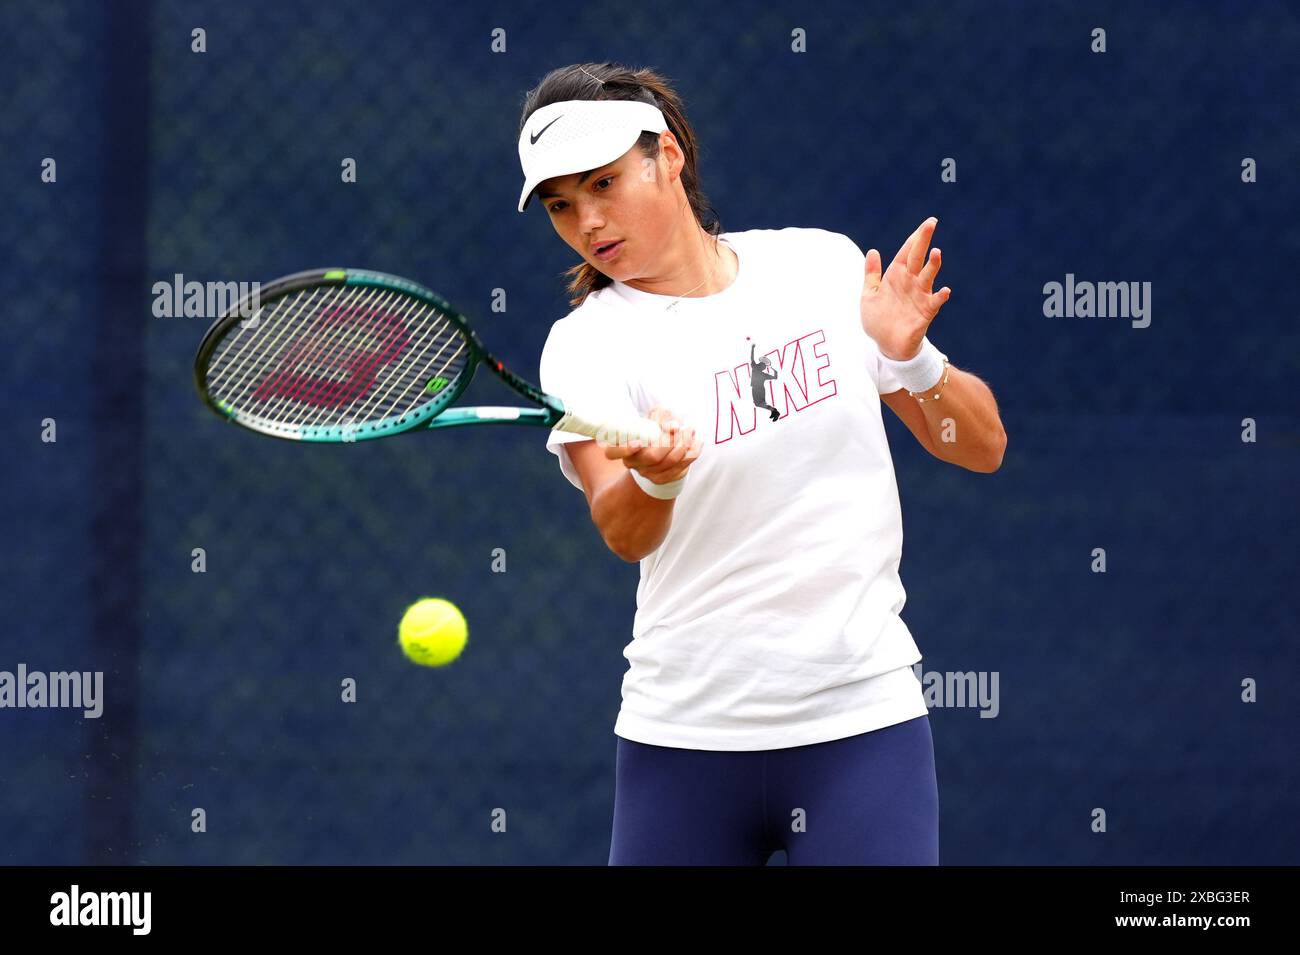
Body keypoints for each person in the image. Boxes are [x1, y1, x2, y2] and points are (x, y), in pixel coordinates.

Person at [518, 62, 1007, 865]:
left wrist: (913, 361)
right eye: (562, 205)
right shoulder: (585, 346)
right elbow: (623, 529)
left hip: (862, 723)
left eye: (604, 183)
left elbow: (981, 446)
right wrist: (657, 478)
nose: (587, 221)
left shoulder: (819, 267)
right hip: (682, 739)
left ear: (667, 157)